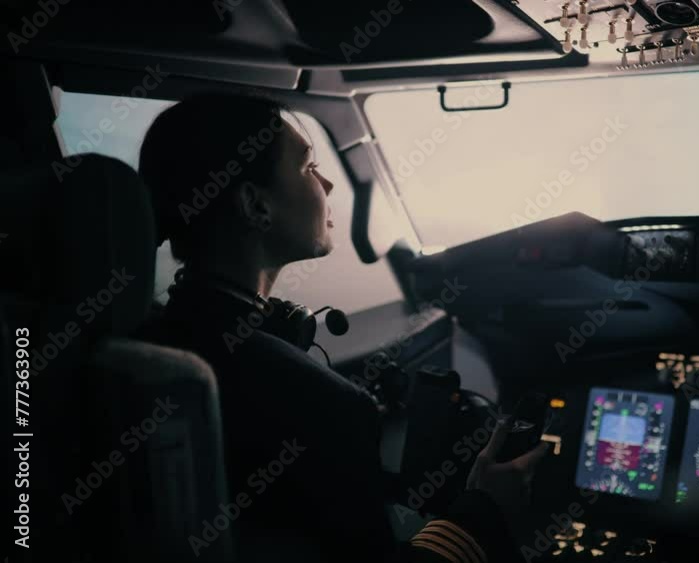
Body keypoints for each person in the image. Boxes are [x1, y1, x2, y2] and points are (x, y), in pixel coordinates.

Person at [137, 92, 548, 563]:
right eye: (308, 168)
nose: (328, 184)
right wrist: (485, 509)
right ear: (255, 205)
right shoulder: (321, 405)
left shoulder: (143, 346)